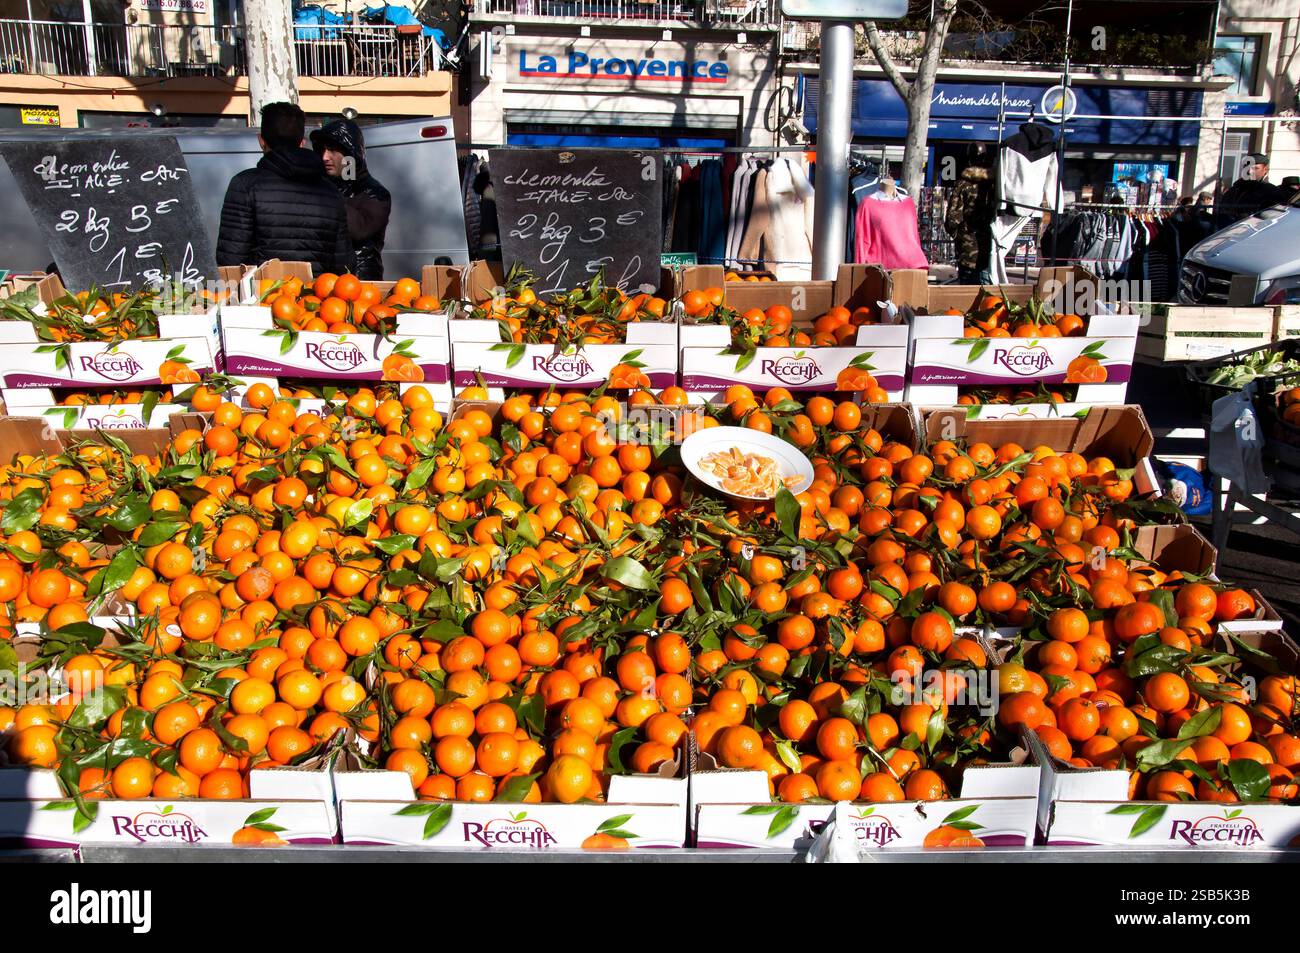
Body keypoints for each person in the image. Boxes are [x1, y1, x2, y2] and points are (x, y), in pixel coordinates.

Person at [216, 102, 351, 276]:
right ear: (302, 142)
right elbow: (343, 265)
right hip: (316, 298)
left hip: (261, 297)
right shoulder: (332, 192)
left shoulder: (245, 185)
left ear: (261, 141)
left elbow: (230, 261)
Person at [310, 117, 392, 280]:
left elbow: (358, 230)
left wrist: (327, 193)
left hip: (361, 281)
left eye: (332, 150)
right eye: (322, 150)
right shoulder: (321, 186)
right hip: (325, 281)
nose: (325, 157)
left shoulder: (375, 193)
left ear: (350, 154)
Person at [944, 143, 996, 285]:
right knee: (989, 294)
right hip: (991, 249)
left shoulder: (963, 185)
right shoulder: (995, 185)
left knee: (967, 294)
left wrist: (960, 236)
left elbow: (951, 219)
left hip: (968, 250)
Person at [1217, 152, 1287, 225]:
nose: (1250, 172)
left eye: (1255, 168)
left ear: (1265, 170)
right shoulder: (1234, 189)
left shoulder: (1272, 192)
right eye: (1247, 168)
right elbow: (1222, 212)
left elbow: (1275, 219)